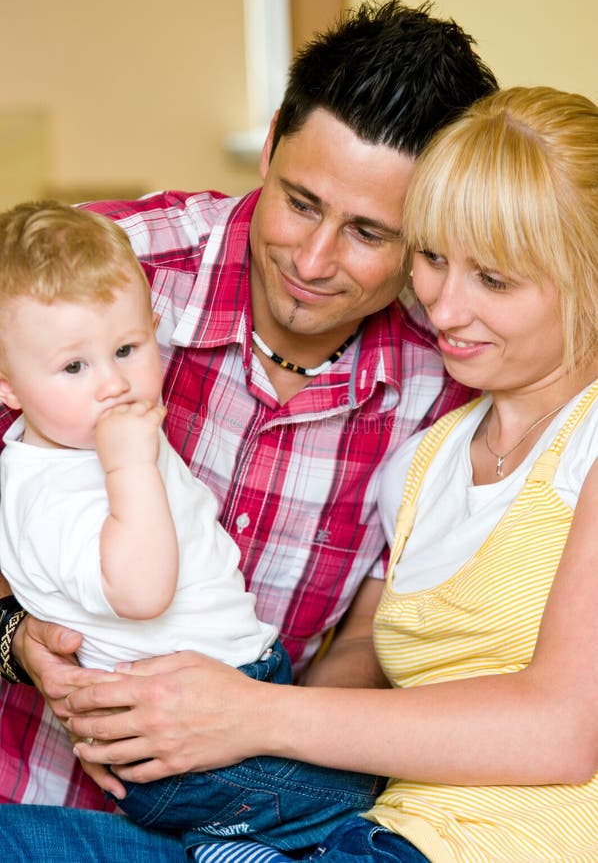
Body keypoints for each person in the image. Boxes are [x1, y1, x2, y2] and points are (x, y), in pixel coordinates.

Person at [4, 84, 594, 863]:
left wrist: (248, 717)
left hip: (368, 827)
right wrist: (16, 634)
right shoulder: (426, 459)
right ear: (274, 141)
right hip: (308, 817)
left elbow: (558, 727)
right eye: (435, 259)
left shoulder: (456, 396)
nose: (445, 309)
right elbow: (380, 661)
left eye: (494, 280)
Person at [0, 200, 384, 858]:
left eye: (127, 348)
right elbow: (143, 590)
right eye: (74, 368)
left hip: (246, 691)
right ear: (7, 386)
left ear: (156, 329)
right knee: (362, 800)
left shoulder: (82, 438)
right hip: (171, 751)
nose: (114, 384)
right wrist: (129, 464)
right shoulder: (51, 486)